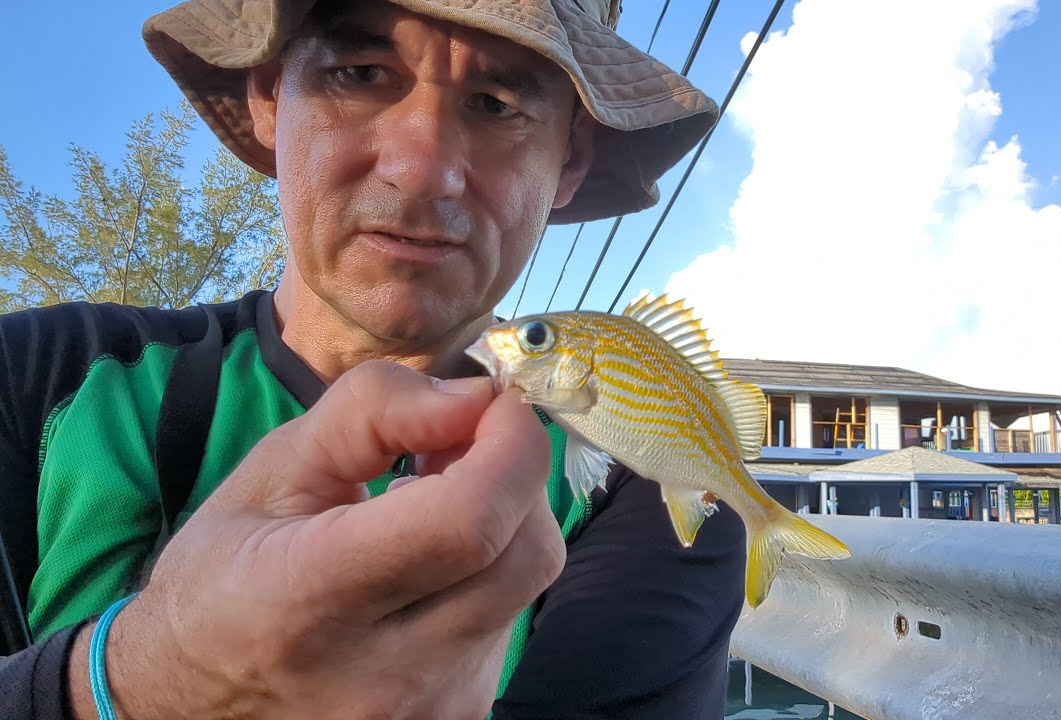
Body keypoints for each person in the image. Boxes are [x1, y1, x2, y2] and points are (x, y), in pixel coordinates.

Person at [0, 0, 748, 717]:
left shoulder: (650, 491)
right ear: (270, 95)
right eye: (360, 73)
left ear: (569, 161)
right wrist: (137, 685)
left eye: (496, 105)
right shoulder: (32, 374)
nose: (421, 169)